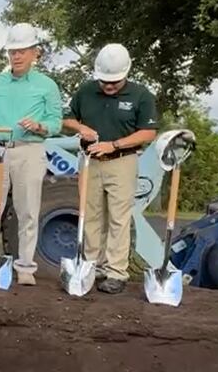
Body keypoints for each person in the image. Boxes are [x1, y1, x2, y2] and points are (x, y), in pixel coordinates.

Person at [0, 22, 63, 286]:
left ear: (35, 53)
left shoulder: (47, 86)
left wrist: (40, 126)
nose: (17, 56)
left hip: (30, 151)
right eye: (12, 51)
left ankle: (25, 267)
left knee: (28, 211)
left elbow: (56, 122)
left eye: (22, 51)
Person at [61, 43, 158, 293]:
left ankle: (116, 272)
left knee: (119, 218)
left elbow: (148, 132)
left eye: (114, 82)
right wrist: (80, 128)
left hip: (122, 161)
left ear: (126, 73)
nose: (109, 86)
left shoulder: (141, 95)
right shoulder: (85, 91)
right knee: (90, 216)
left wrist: (113, 145)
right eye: (104, 81)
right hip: (89, 161)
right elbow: (68, 117)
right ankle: (92, 267)